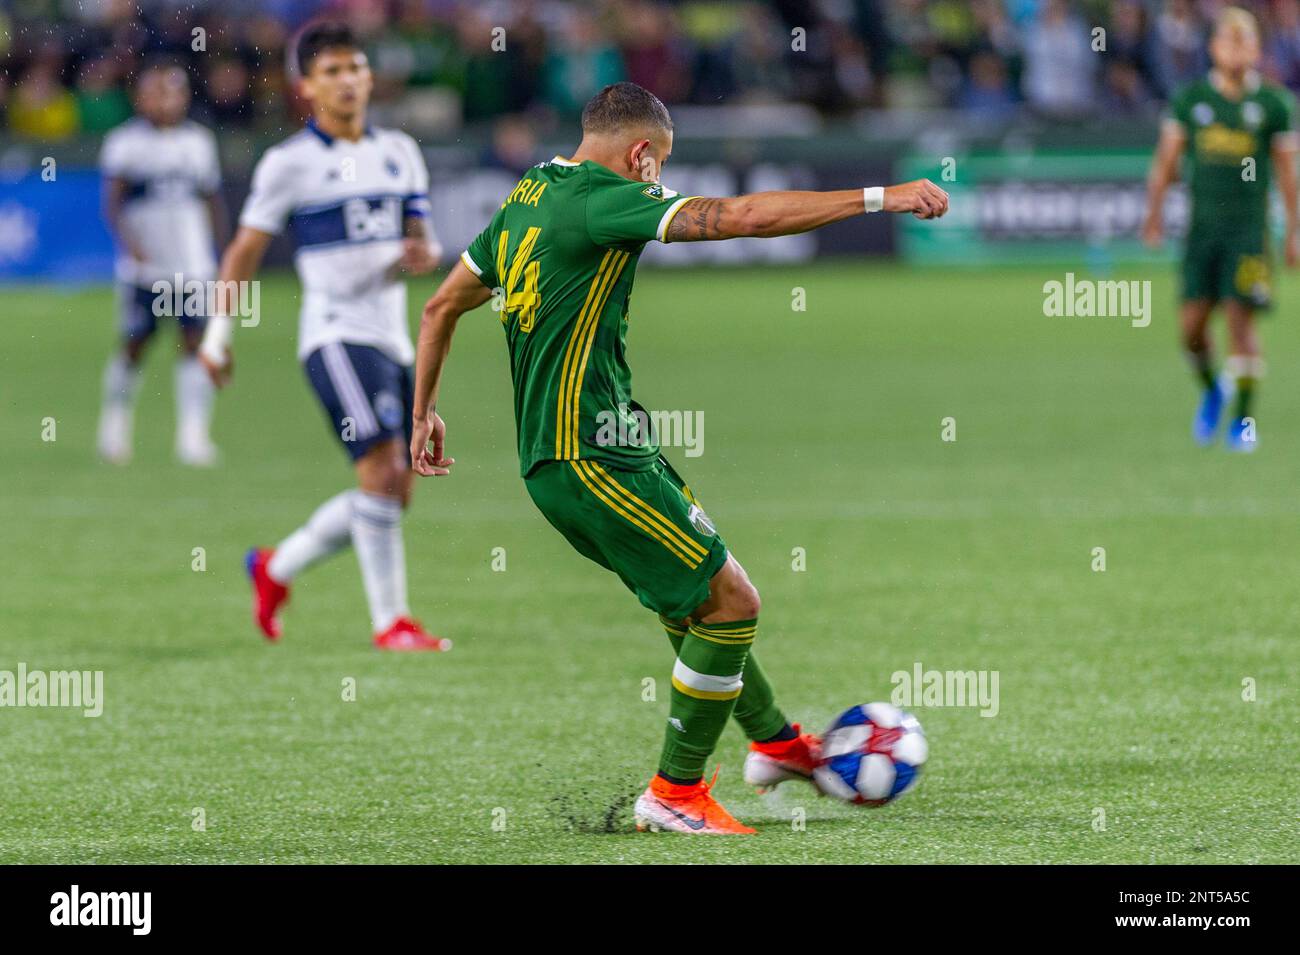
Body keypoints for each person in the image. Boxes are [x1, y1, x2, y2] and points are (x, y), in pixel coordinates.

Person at [409, 82, 948, 833]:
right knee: (733, 604)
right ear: (639, 154)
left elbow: (440, 306)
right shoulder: (604, 197)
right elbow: (743, 215)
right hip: (589, 457)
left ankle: (775, 742)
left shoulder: (527, 195)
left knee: (695, 599)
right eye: (657, 166)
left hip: (587, 453)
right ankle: (674, 792)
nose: (658, 181)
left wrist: (423, 409)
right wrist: (879, 195)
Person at [197, 23, 448, 650]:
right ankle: (391, 622)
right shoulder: (290, 164)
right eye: (331, 71)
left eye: (355, 68)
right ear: (305, 85)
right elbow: (242, 253)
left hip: (393, 336)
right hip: (335, 336)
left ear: (369, 77)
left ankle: (273, 568)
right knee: (384, 468)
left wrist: (422, 251)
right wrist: (217, 335)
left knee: (396, 485)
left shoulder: (400, 151)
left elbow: (423, 238)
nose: (346, 81)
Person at [1144, 6, 1299, 451]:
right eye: (1228, 41)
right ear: (1212, 48)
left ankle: (1244, 424)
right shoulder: (1191, 101)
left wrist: (1293, 232)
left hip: (1248, 237)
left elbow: (1289, 175)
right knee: (1191, 329)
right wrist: (1152, 216)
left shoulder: (1273, 105)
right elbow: (1165, 163)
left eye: (1245, 42)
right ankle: (1213, 388)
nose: (1236, 50)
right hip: (1202, 235)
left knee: (1241, 324)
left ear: (1256, 49)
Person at [97, 61, 225, 466]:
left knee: (194, 345)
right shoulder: (125, 143)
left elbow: (211, 200)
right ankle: (114, 429)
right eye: (157, 92)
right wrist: (130, 246)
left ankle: (193, 436)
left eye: (174, 92)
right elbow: (112, 202)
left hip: (192, 267)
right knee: (136, 344)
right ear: (141, 97)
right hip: (147, 270)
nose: (166, 100)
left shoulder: (200, 143)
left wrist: (218, 253)